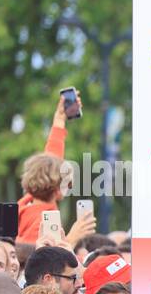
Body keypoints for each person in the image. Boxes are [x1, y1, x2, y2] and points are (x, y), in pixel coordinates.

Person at [16, 95, 97, 246]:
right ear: (57, 189)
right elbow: (40, 260)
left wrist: (59, 120)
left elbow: (51, 162)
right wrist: (73, 237)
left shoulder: (28, 202)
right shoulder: (42, 221)